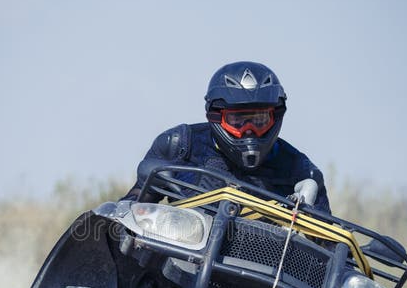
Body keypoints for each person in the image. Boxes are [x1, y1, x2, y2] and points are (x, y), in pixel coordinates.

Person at [128, 61, 331, 212]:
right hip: (183, 264)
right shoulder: (178, 146)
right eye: (238, 121)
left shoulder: (301, 172)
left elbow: (329, 246)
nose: (249, 130)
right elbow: (132, 208)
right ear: (216, 116)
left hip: (266, 267)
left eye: (259, 120)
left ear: (275, 116)